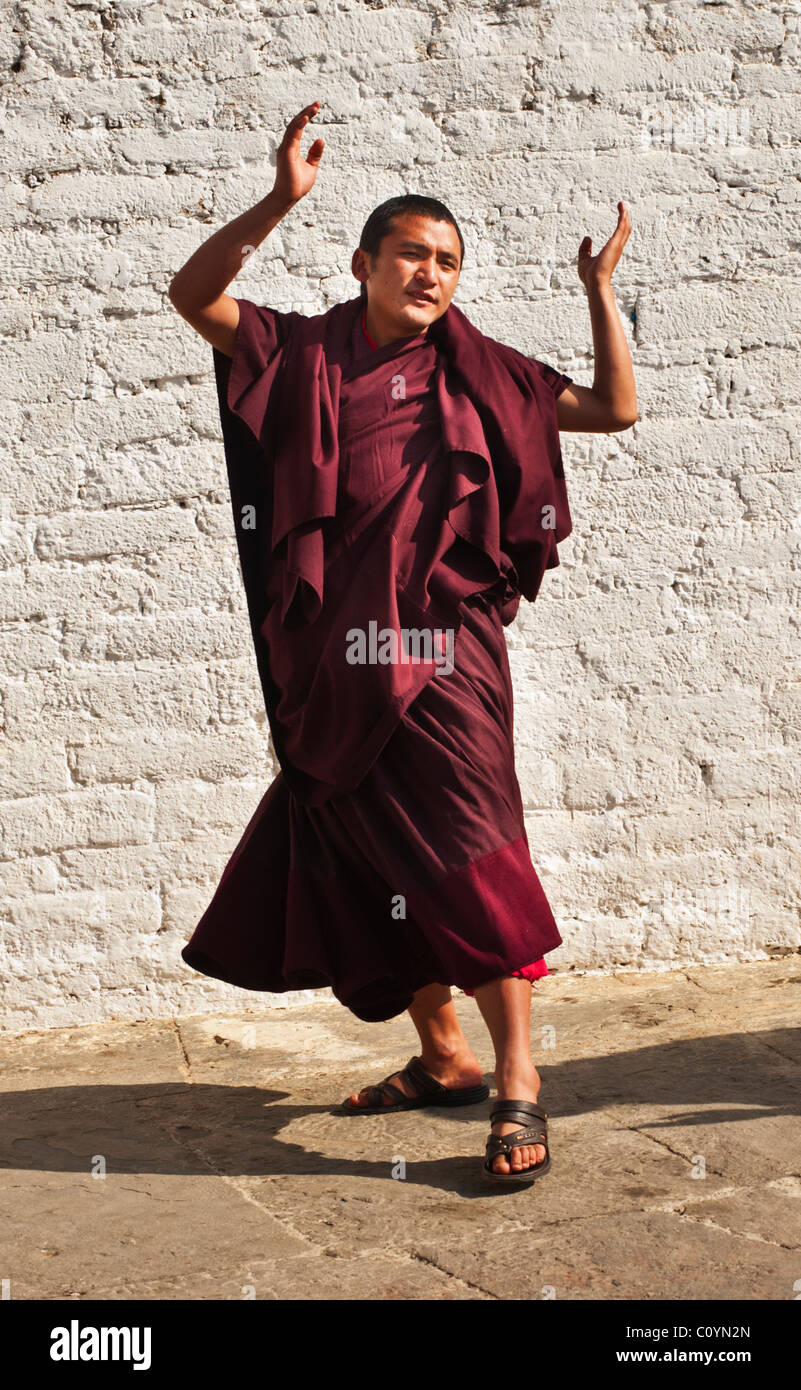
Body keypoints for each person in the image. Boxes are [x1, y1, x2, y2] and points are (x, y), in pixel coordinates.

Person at [168, 101, 637, 1183]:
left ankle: (520, 1078)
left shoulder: (486, 373)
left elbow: (615, 407)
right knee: (363, 851)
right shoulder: (300, 353)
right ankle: (444, 1056)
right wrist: (277, 199)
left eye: (449, 263)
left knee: (472, 850)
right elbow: (193, 297)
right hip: (333, 662)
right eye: (413, 255)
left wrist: (598, 293)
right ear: (365, 261)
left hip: (447, 655)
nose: (432, 275)